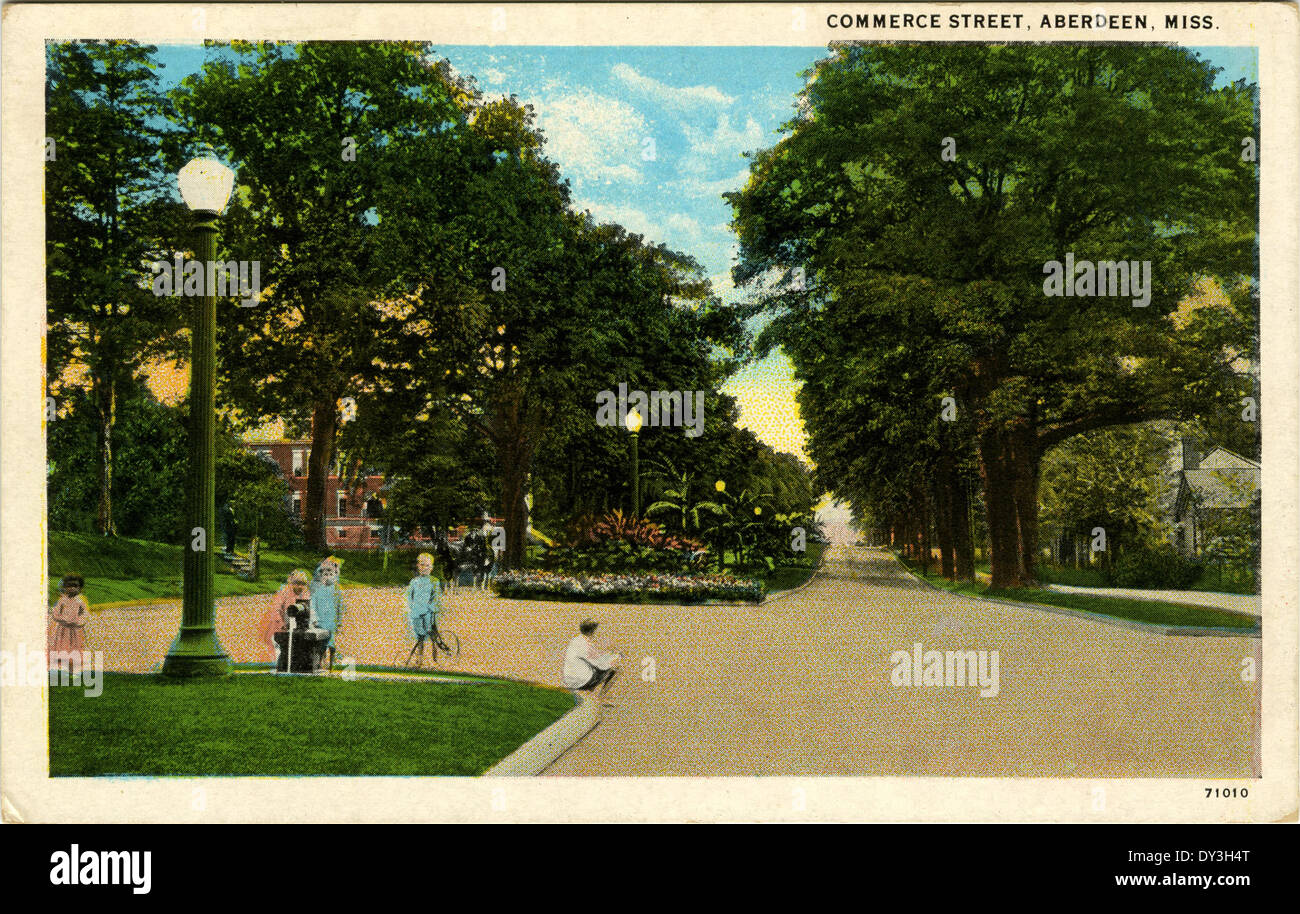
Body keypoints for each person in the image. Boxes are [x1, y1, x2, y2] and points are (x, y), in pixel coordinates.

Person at [258, 569, 311, 665]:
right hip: (281, 629)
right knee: (282, 652)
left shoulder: (306, 594)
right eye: (296, 583)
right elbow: (275, 609)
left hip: (297, 629)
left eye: (302, 584)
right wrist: (281, 623)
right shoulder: (284, 593)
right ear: (291, 583)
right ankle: (279, 669)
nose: (299, 586)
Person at [404, 552, 447, 667]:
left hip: (428, 612)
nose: (424, 568)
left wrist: (431, 608)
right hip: (417, 612)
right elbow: (409, 596)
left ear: (431, 568)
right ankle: (419, 659)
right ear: (418, 566)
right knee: (419, 637)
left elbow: (436, 596)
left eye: (427, 566)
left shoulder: (434, 581)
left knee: (432, 634)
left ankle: (435, 658)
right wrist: (410, 608)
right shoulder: (414, 582)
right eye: (422, 565)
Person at [562, 619, 621, 701]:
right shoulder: (587, 645)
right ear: (592, 632)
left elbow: (594, 658)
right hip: (580, 681)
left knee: (593, 668)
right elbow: (601, 666)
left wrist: (609, 655)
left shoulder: (576, 640)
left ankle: (590, 690)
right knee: (616, 669)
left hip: (569, 679)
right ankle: (601, 696)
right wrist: (614, 658)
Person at [309, 557, 345, 671]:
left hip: (332, 621)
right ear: (321, 575)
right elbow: (312, 604)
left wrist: (339, 621)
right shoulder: (317, 590)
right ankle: (320, 663)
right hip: (320, 621)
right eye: (325, 574)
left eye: (331, 573)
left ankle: (331, 663)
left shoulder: (337, 590)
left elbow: (340, 606)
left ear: (335, 574)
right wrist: (314, 619)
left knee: (331, 642)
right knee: (321, 643)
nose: (328, 576)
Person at [48, 573, 89, 665]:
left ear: (80, 588)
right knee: (62, 643)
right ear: (64, 587)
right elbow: (56, 612)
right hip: (63, 628)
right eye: (69, 586)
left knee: (76, 644)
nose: (72, 588)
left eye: (75, 586)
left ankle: (75, 661)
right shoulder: (62, 600)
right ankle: (63, 661)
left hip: (76, 628)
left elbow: (84, 613)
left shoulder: (81, 600)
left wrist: (78, 622)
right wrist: (61, 619)